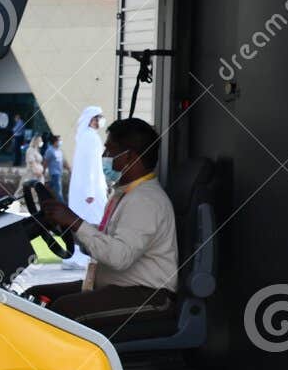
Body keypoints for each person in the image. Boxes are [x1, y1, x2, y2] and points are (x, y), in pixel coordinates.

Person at [33, 117, 179, 330]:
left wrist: (75, 223)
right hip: (116, 286)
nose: (104, 157)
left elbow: (119, 257)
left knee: (64, 310)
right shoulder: (126, 193)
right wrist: (69, 225)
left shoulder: (145, 200)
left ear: (129, 156)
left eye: (110, 151)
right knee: (37, 296)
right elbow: (106, 242)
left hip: (148, 295)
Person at [65, 105, 108, 269]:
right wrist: (90, 192)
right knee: (93, 222)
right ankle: (84, 258)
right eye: (98, 117)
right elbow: (90, 166)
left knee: (82, 222)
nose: (101, 120)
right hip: (91, 191)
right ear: (92, 120)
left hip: (85, 189)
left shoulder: (86, 136)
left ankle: (79, 256)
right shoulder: (91, 138)